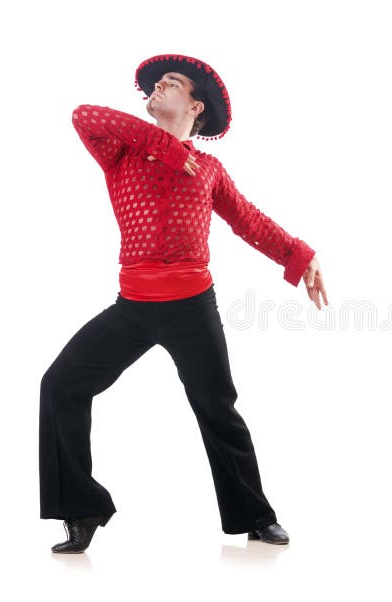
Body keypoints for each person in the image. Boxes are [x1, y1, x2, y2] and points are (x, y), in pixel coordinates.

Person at [40, 54, 328, 553]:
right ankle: (80, 510)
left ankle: (255, 515)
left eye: (171, 83)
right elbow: (83, 114)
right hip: (132, 306)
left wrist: (300, 257)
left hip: (192, 306)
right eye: (153, 84)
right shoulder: (121, 154)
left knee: (217, 408)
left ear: (195, 106)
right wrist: (161, 147)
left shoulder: (210, 168)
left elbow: (249, 222)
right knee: (59, 385)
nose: (157, 87)